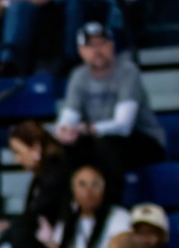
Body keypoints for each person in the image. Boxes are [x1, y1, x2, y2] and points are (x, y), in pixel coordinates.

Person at [56, 22, 165, 177]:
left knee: (106, 145)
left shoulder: (127, 71)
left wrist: (87, 129)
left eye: (102, 44)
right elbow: (69, 115)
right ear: (81, 51)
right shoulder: (79, 76)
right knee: (66, 149)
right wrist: (65, 130)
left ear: (111, 45)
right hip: (100, 140)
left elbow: (123, 125)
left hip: (143, 140)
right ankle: (75, 200)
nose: (97, 50)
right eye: (90, 46)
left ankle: (112, 200)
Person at [2, 121, 75, 248]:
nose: (16, 159)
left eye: (18, 152)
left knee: (20, 233)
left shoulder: (55, 175)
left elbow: (33, 217)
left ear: (35, 146)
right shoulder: (41, 177)